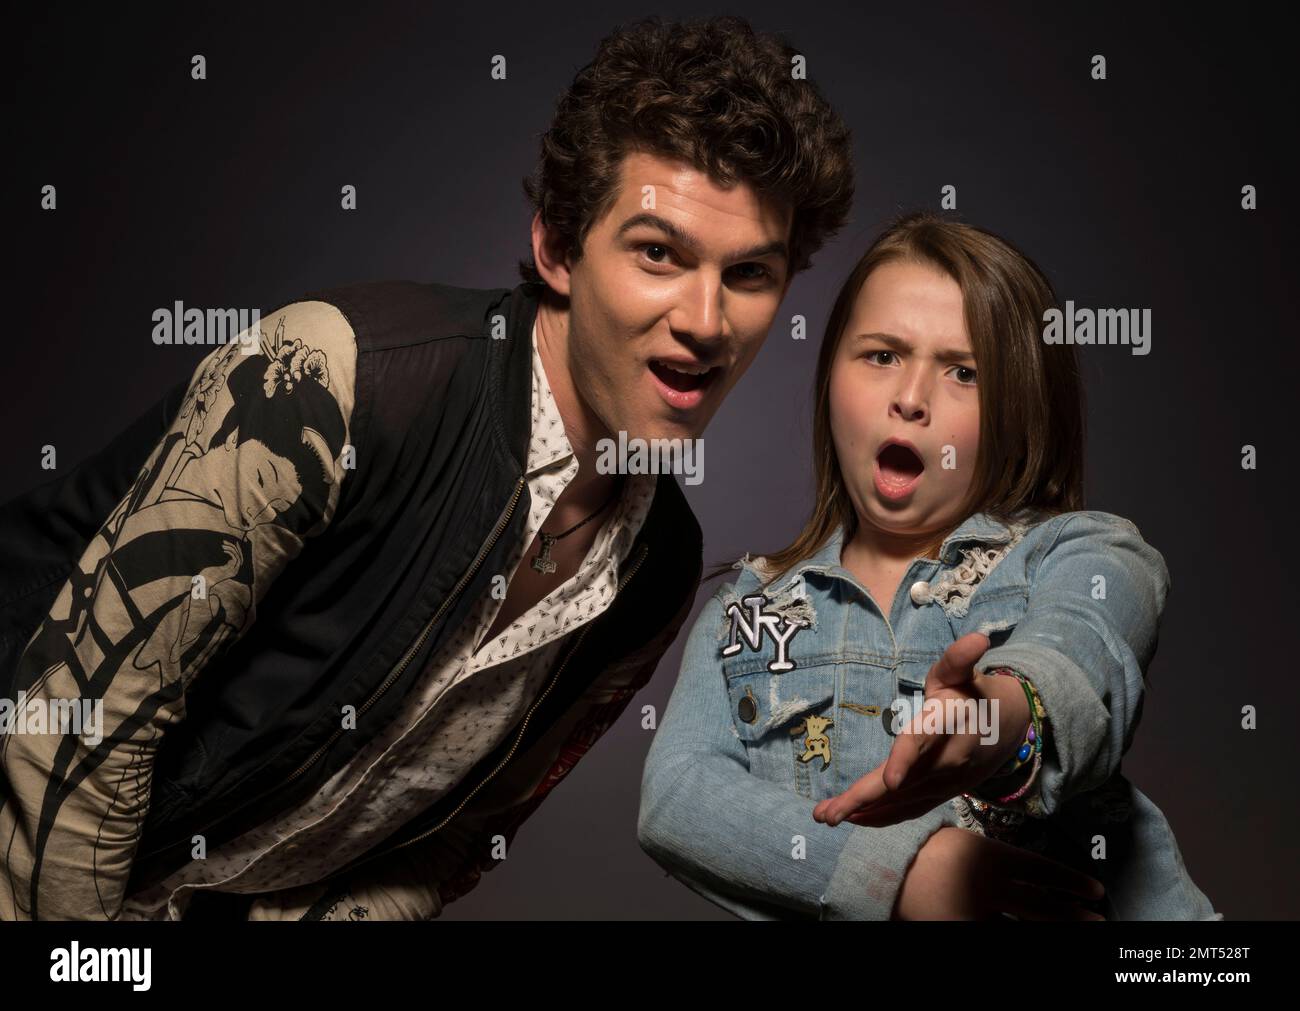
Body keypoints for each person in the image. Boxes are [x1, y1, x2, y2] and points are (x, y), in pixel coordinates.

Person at [0, 15, 855, 921]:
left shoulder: (656, 569)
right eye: (658, 254)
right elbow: (77, 731)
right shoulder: (332, 378)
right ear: (558, 250)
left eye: (751, 274)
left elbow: (456, 837)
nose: (707, 318)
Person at [637, 211, 1221, 920]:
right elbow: (677, 797)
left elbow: (1083, 654)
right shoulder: (746, 615)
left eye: (963, 372)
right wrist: (899, 871)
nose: (910, 397)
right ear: (830, 379)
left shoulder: (1086, 552)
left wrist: (998, 722)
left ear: (1021, 410)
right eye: (881, 354)